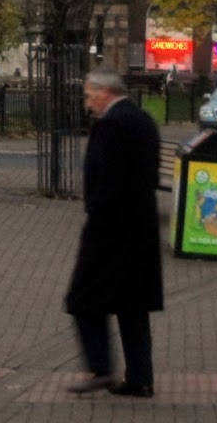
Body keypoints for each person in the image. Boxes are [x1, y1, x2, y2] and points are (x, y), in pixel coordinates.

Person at [64, 69, 164, 398]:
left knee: (82, 299)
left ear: (105, 91)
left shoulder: (111, 125)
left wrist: (96, 211)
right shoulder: (143, 120)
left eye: (89, 94)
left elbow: (106, 176)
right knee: (132, 305)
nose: (87, 101)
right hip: (141, 228)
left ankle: (100, 368)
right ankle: (140, 377)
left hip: (110, 230)